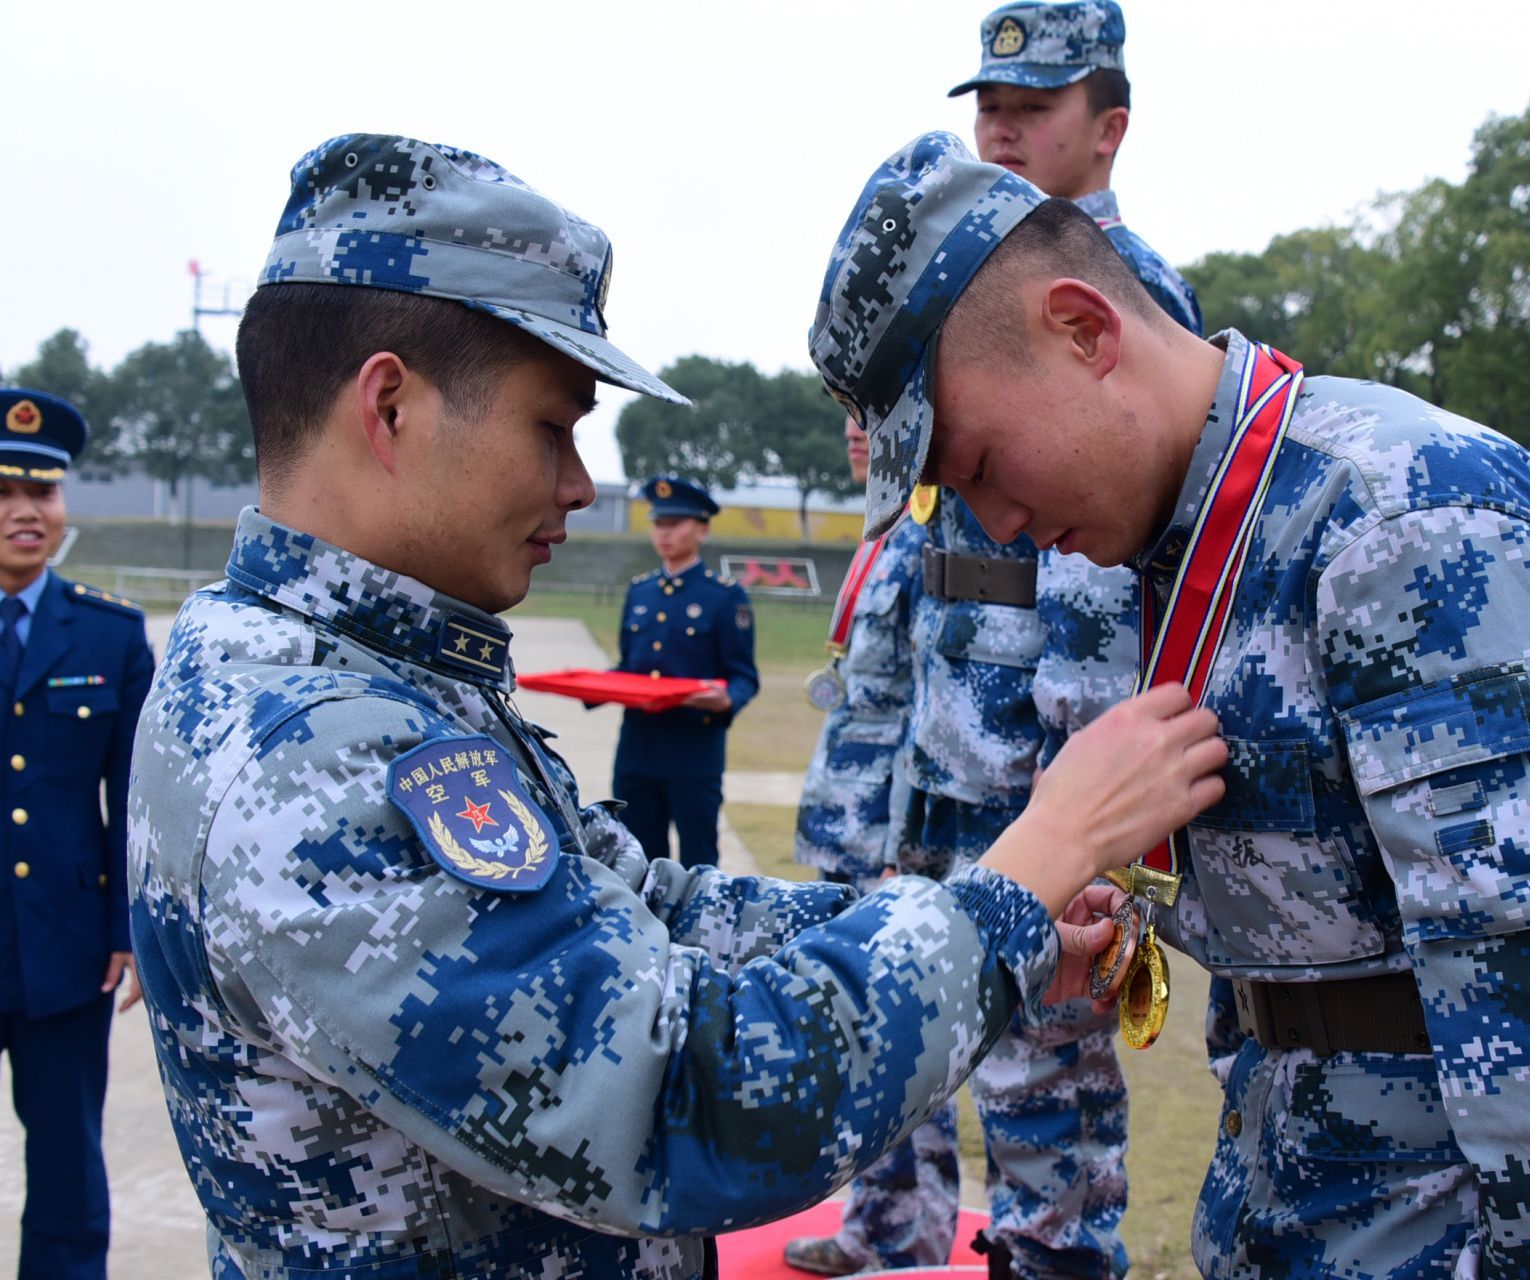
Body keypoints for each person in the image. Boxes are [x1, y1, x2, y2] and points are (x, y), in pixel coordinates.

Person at [125, 131, 1230, 1280]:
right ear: (391, 406)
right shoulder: (312, 753)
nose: (578, 484)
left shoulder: (366, 678)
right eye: (552, 426)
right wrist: (1030, 866)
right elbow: (683, 1097)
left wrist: (984, 913)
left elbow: (647, 910)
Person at [809, 134, 1530, 1279]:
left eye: (983, 464)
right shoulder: (1172, 548)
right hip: (1300, 1211)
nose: (995, 525)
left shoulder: (1407, 520)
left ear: (1085, 329)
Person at [790, 7, 1201, 1275]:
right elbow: (913, 554)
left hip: (1028, 755)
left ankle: (1052, 1258)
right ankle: (895, 1227)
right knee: (896, 988)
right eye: (990, 107)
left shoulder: (1120, 294)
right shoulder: (947, 296)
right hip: (929, 729)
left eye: (1035, 107)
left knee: (1038, 1055)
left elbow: (1101, 578)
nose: (1003, 130)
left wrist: (1078, 800)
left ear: (1109, 126)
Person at [0, 388, 153, 1280]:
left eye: (42, 492)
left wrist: (128, 928)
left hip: (68, 951)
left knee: (69, 1179)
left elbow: (133, 801)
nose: (26, 511)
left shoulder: (110, 636)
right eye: (0, 491)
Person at [788, 418, 958, 1271]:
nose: (855, 429)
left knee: (909, 1041)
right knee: (859, 1041)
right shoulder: (882, 528)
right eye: (845, 413)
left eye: (872, 413)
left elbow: (932, 705)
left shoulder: (933, 532)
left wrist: (904, 847)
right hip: (843, 824)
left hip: (888, 837)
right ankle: (873, 1224)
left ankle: (916, 1243)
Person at [612, 475, 758, 868]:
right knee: (636, 863)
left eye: (675, 523)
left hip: (693, 753)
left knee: (698, 865)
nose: (664, 532)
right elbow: (628, 666)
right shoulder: (640, 591)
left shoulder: (725, 596)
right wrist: (591, 684)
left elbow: (744, 675)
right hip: (637, 752)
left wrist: (727, 699)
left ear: (702, 529)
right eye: (658, 523)